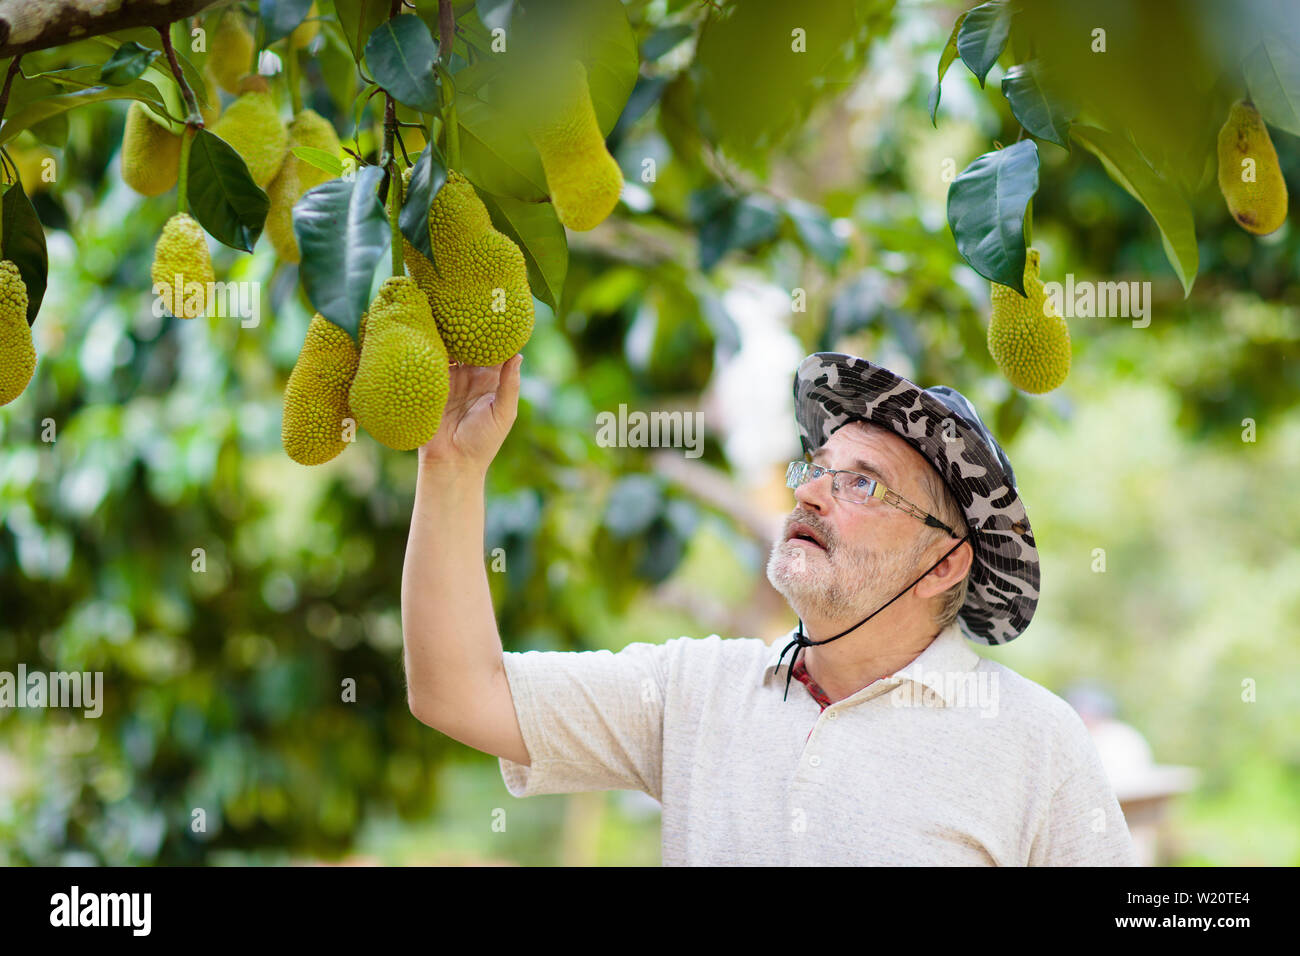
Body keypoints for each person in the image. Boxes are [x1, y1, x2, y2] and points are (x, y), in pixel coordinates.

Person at [402, 350, 1140, 866]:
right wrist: (451, 468)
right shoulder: (698, 689)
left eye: (863, 485)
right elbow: (459, 692)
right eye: (816, 471)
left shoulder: (1034, 741)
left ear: (944, 562)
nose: (809, 492)